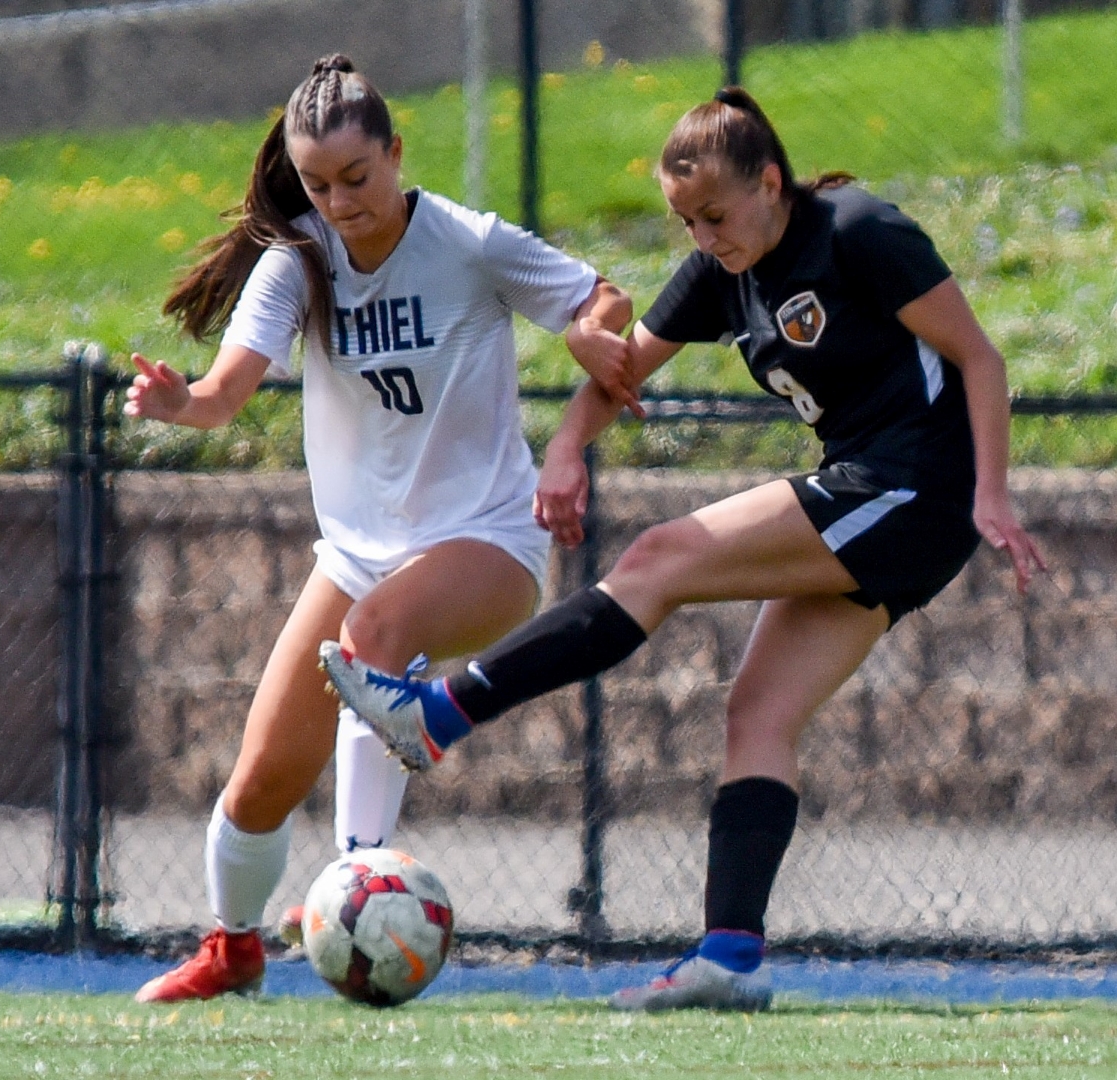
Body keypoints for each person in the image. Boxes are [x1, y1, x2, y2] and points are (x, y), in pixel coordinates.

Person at [323, 87, 1047, 1012]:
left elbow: (980, 357)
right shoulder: (720, 272)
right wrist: (564, 448)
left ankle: (437, 716)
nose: (703, 237)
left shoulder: (859, 229)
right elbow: (618, 367)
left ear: (771, 184)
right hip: (872, 492)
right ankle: (729, 958)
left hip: (914, 489)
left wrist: (992, 493)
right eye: (684, 222)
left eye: (715, 215)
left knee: (661, 557)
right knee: (757, 715)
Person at [127, 54, 634, 1003]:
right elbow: (224, 394)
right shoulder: (297, 263)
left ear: (397, 154)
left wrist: (582, 331)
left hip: (488, 542)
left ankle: (361, 880)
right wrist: (178, 401)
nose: (340, 201)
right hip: (357, 558)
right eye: (317, 184)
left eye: (357, 178)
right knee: (261, 783)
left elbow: (605, 301)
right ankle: (233, 949)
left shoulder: (468, 242)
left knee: (376, 638)